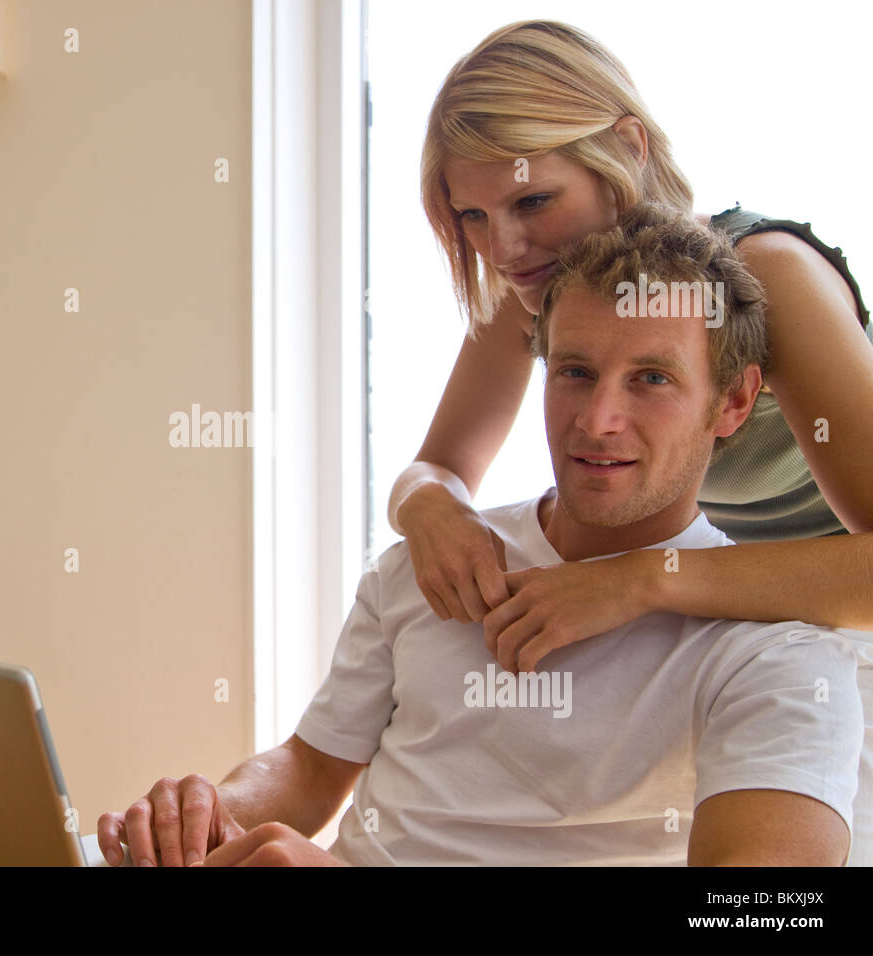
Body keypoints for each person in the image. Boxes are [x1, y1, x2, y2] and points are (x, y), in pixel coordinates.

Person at [95, 204, 864, 866]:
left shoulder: (778, 654)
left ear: (732, 404)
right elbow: (309, 765)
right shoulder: (437, 563)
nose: (598, 420)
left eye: (652, 379)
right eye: (574, 372)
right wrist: (204, 816)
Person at [386, 20, 873, 673]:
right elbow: (437, 465)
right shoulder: (536, 285)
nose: (501, 249)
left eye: (532, 199)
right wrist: (428, 504)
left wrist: (642, 581)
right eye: (472, 214)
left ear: (627, 146)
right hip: (755, 629)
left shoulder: (770, 274)